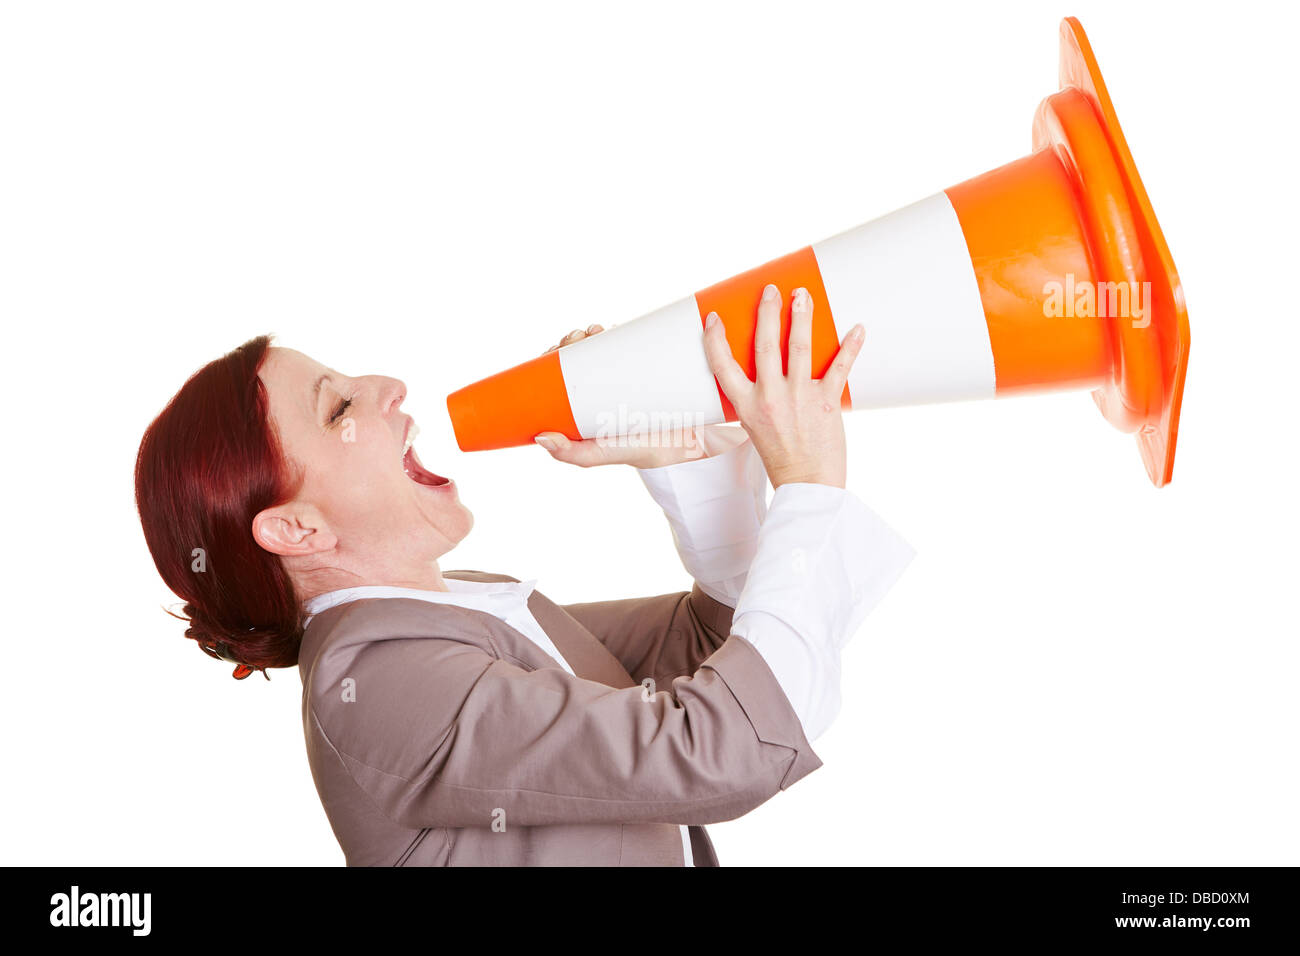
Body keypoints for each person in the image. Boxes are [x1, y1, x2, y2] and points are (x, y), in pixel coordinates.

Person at [134, 283, 914, 865]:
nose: (385, 386)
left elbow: (710, 649)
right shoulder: (379, 678)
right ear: (296, 529)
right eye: (339, 409)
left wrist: (684, 458)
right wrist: (808, 485)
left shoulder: (454, 604)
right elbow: (722, 745)